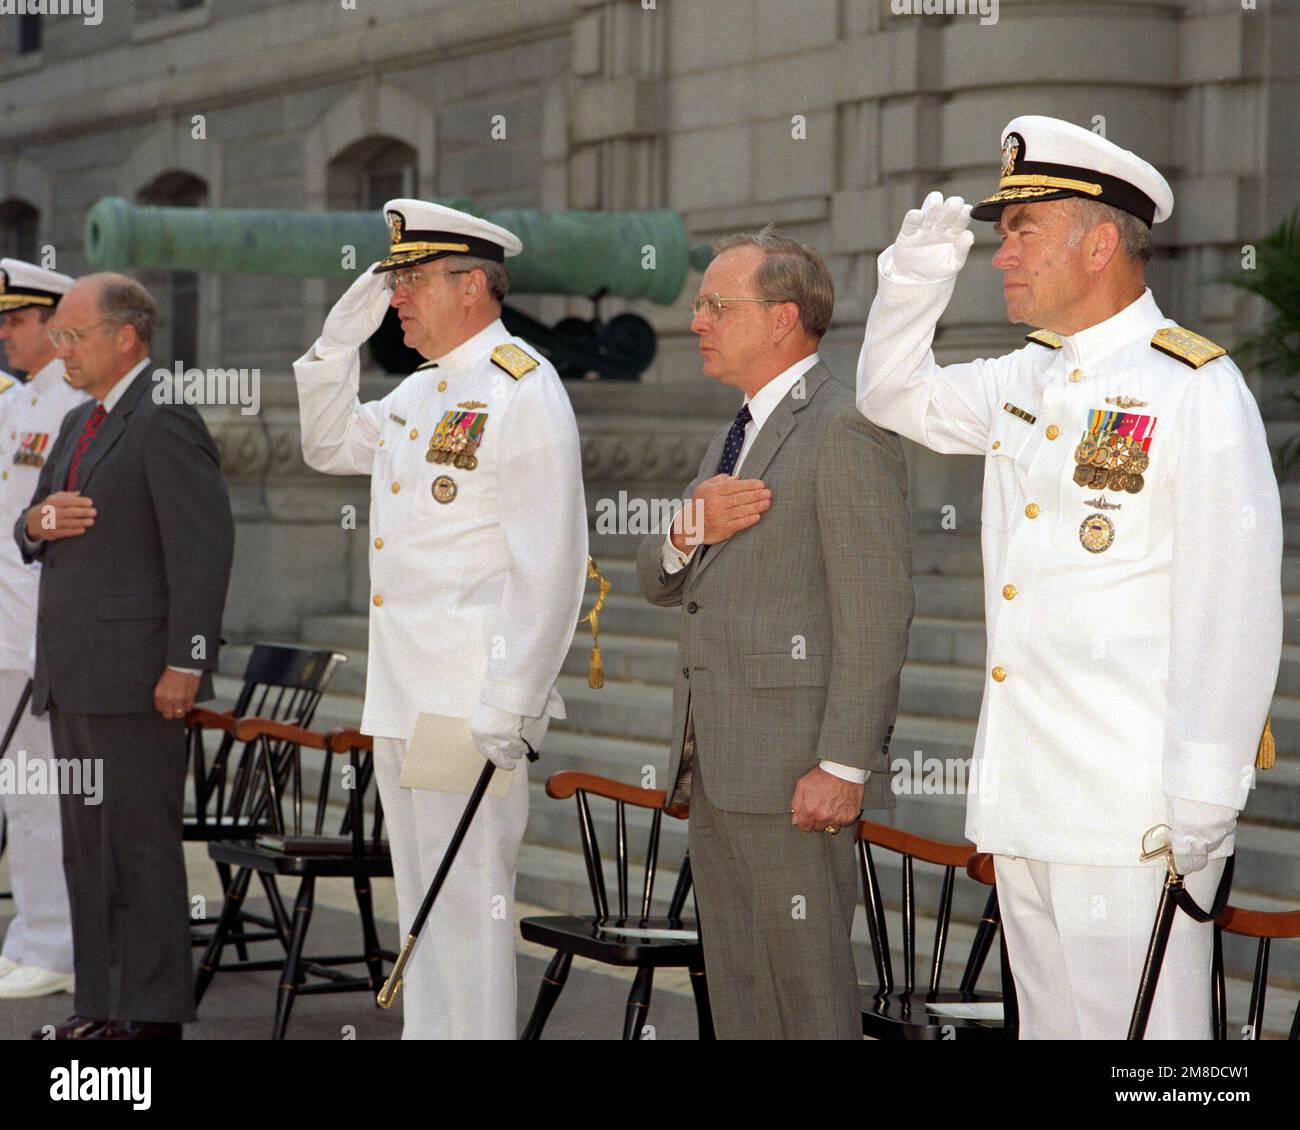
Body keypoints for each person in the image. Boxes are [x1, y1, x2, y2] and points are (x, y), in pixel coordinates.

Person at [855, 115, 1282, 1039]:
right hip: (1030, 797)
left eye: (1022, 231)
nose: (999, 254)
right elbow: (890, 395)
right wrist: (914, 280)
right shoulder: (1029, 375)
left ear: (1098, 244)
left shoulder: (1194, 388)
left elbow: (1233, 605)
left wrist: (1204, 796)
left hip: (1135, 811)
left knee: (1155, 1059)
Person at [293, 199, 587, 1039]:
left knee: (467, 908)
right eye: (397, 282)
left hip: (468, 700)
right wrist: (333, 350)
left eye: (413, 280)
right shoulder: (422, 394)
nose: (398, 299)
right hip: (404, 693)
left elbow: (551, 560)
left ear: (473, 286)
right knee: (422, 902)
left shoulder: (523, 387)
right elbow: (327, 446)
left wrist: (513, 697)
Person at [637, 229, 912, 1039]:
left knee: (806, 991)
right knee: (741, 987)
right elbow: (659, 581)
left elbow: (876, 611)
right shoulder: (741, 429)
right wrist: (688, 527)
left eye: (719, 306)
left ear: (785, 317)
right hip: (719, 762)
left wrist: (841, 764)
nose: (698, 322)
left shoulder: (844, 425)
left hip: (795, 772)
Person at [13, 273, 234, 1040]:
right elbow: (27, 528)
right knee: (88, 851)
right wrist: (39, 520)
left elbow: (203, 551)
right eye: (60, 337)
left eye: (73, 336)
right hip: (73, 674)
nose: (60, 349)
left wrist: (188, 662)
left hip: (137, 678)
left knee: (137, 849)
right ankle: (100, 1005)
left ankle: (150, 1016)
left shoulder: (163, 417)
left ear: (126, 337)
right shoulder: (79, 420)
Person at [0, 260, 85, 1000]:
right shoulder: (18, 401)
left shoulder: (72, 407)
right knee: (20, 794)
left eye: (16, 320)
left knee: (44, 791)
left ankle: (58, 945)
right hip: (6, 635)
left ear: (57, 327)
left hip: (39, 636)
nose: (4, 332)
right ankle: (32, 932)